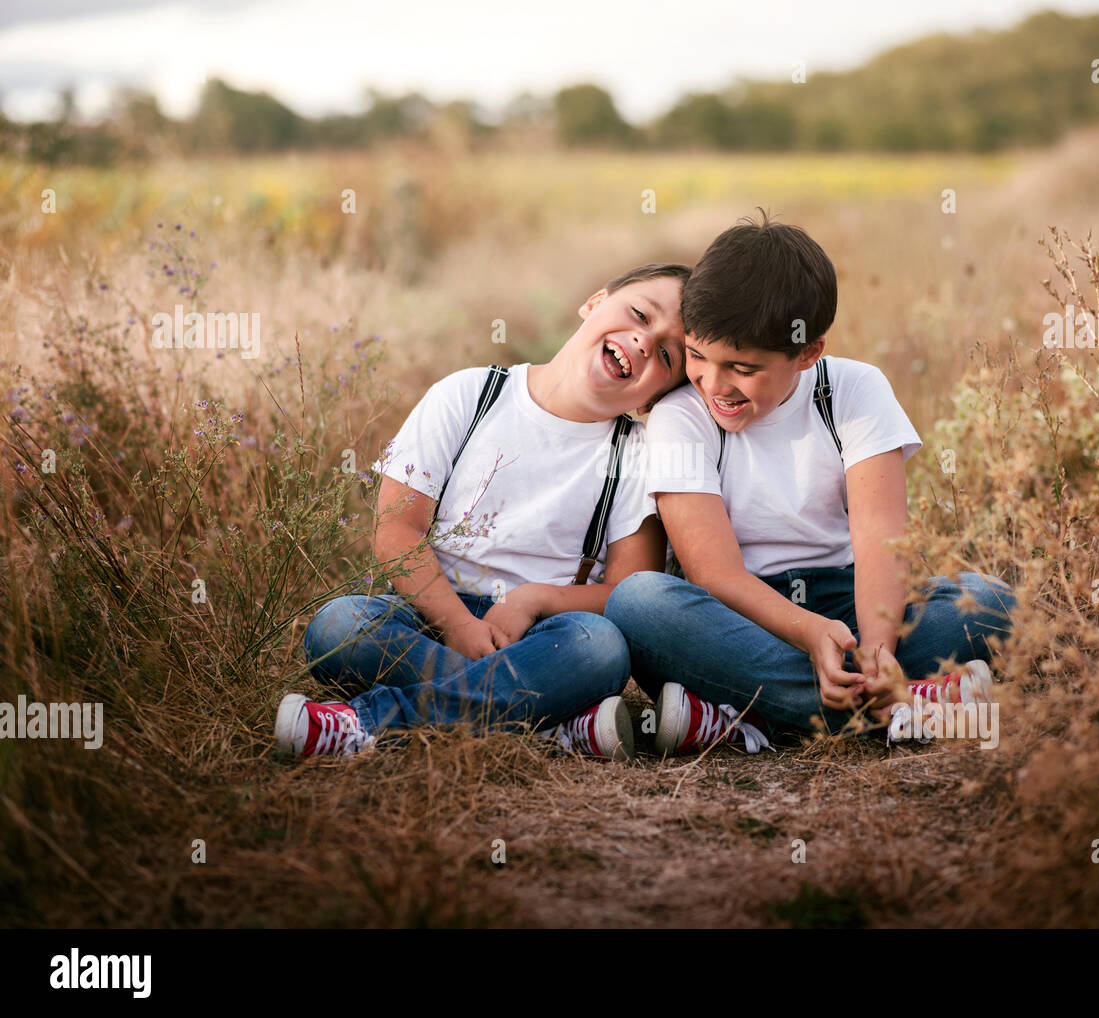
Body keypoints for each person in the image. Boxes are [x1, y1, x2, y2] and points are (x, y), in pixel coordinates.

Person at [604, 213, 1016, 754]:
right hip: (735, 619)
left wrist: (876, 651)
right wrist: (806, 632)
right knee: (638, 604)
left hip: (849, 601)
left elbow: (879, 541)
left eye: (743, 368)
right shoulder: (681, 416)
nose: (713, 383)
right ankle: (904, 707)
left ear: (807, 352)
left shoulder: (853, 389)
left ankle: (749, 716)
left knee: (992, 603)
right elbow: (714, 573)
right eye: (699, 356)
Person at [275, 262, 690, 761]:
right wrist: (458, 625)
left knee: (600, 648)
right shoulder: (470, 395)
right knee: (340, 626)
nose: (646, 342)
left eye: (668, 355)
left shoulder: (636, 454)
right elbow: (397, 531)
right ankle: (543, 718)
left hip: (542, 637)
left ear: (654, 399)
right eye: (641, 314)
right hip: (429, 615)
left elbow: (628, 594)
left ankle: (366, 724)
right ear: (595, 302)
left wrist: (533, 600)